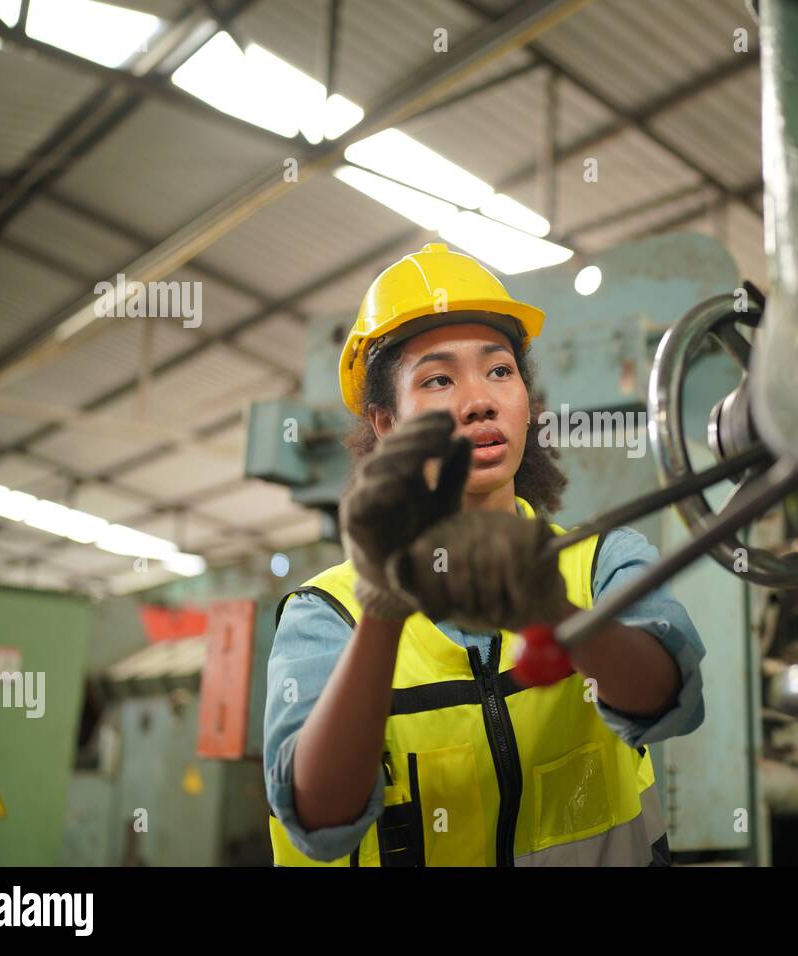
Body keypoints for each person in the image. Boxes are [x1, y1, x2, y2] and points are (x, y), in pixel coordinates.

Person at [263, 243, 705, 866]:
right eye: (439, 379)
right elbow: (319, 817)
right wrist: (383, 608)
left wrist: (554, 611)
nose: (479, 400)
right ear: (387, 423)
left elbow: (668, 698)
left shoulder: (601, 558)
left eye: (500, 371)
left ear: (527, 399)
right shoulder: (326, 615)